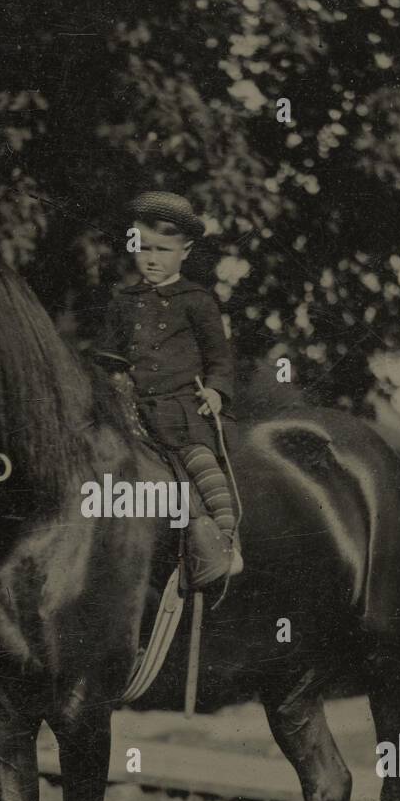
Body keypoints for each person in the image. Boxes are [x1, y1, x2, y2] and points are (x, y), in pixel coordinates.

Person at [94, 190, 242, 579]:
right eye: (143, 248)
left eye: (162, 249)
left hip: (181, 414)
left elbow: (220, 360)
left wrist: (215, 391)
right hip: (131, 414)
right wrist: (111, 381)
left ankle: (225, 541)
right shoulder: (122, 302)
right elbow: (106, 357)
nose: (151, 259)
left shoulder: (197, 300)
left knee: (204, 468)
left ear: (186, 250)